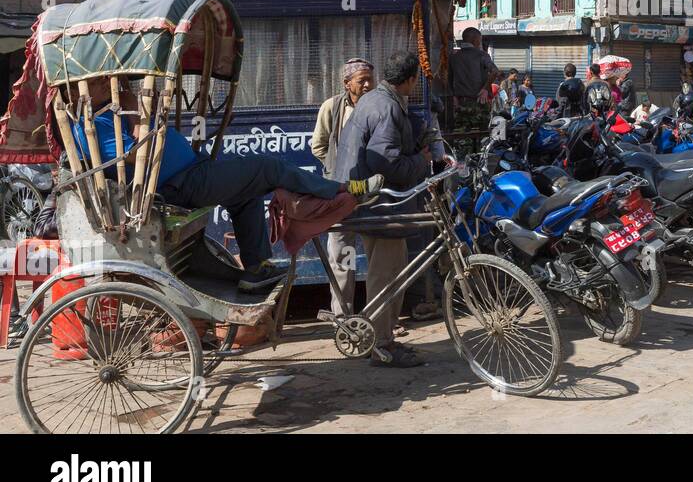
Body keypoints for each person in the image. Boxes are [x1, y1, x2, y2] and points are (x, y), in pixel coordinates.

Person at [72, 77, 370, 293]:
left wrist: (131, 110)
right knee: (269, 166)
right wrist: (138, 115)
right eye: (98, 84)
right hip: (180, 185)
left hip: (193, 170)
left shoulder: (108, 112)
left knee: (249, 193)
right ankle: (336, 190)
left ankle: (255, 268)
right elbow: (134, 155)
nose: (107, 86)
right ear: (76, 90)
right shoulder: (90, 124)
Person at [336, 51, 451, 367]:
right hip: (381, 205)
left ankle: (378, 339)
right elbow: (385, 163)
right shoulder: (386, 107)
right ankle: (381, 345)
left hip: (369, 202)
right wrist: (422, 160)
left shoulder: (374, 99)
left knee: (382, 273)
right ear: (412, 79)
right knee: (387, 277)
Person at [310, 58, 375, 317]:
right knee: (343, 257)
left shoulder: (378, 106)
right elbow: (319, 146)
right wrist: (337, 173)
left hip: (372, 196)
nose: (369, 84)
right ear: (347, 84)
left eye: (371, 78)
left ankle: (377, 320)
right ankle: (343, 317)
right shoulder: (332, 107)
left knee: (377, 258)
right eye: (362, 80)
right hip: (342, 196)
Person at [449, 27, 498, 133]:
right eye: (480, 40)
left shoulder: (454, 57)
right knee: (482, 138)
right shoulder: (482, 55)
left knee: (462, 139)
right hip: (480, 103)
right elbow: (495, 71)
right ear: (476, 40)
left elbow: (449, 80)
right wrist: (485, 89)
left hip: (461, 105)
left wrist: (454, 97)